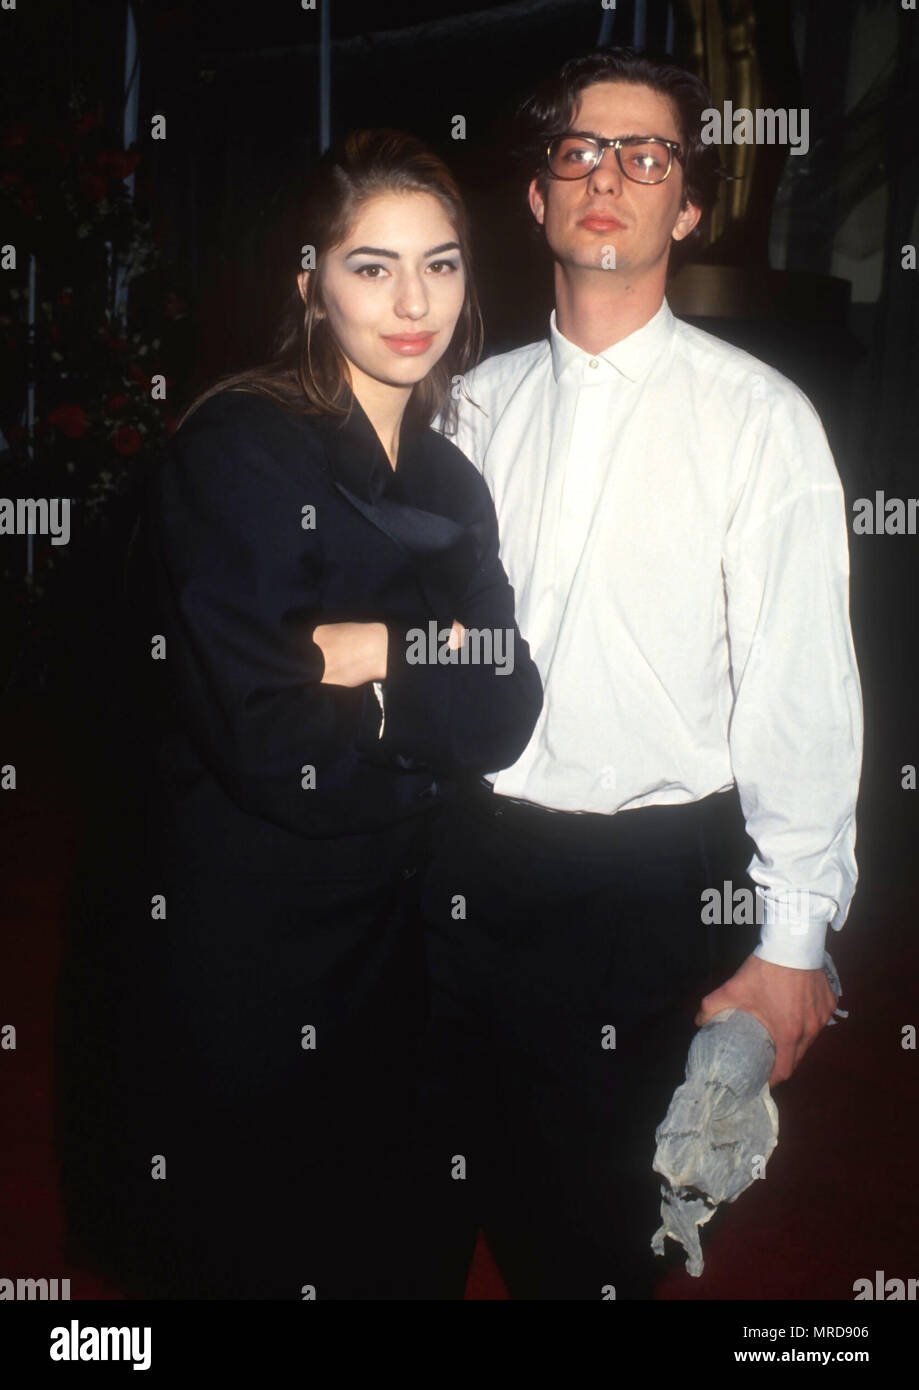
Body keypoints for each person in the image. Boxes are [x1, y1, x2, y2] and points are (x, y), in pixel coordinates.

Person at [417, 47, 863, 1300]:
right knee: (417, 1212)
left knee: (593, 1249)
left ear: (686, 207)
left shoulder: (757, 417)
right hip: (451, 863)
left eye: (647, 155)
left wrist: (789, 940)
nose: (609, 175)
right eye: (579, 152)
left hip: (645, 892)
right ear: (536, 198)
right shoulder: (464, 410)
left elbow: (801, 691)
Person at [112, 128, 542, 1300]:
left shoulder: (452, 479)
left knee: (395, 1246)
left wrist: (381, 655)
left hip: (408, 944)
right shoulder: (241, 446)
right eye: (371, 266)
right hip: (263, 935)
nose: (415, 302)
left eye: (441, 263)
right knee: (257, 1247)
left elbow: (510, 701)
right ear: (309, 281)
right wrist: (434, 690)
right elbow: (270, 736)